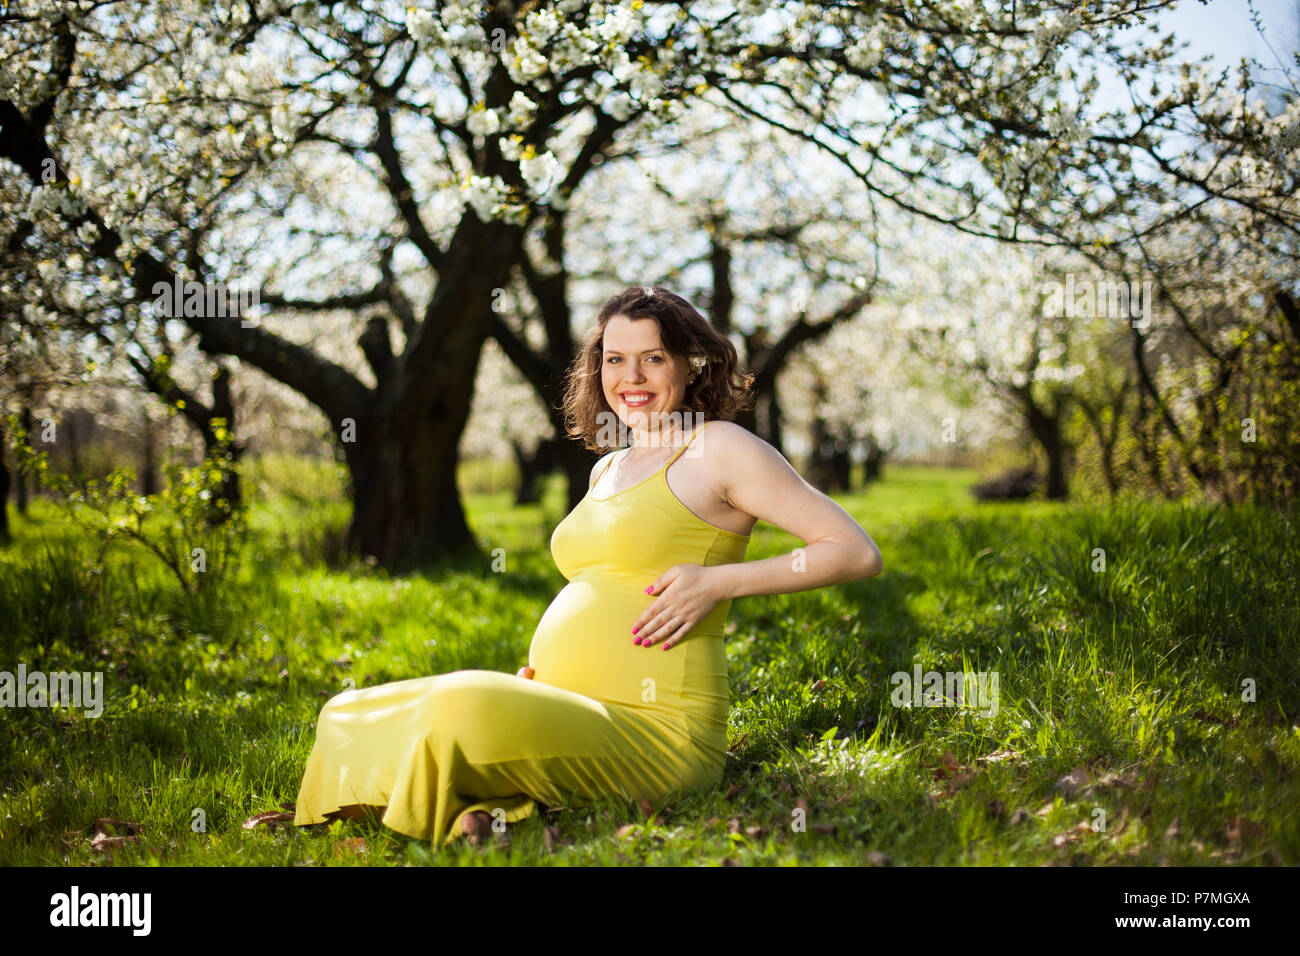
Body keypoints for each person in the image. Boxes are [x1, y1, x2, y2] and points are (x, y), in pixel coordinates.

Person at [292, 285, 883, 848]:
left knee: (459, 704)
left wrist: (720, 581)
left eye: (653, 358)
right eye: (615, 359)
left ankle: (467, 803)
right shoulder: (609, 466)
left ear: (691, 365)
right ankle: (486, 806)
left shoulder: (721, 447)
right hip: (574, 706)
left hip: (660, 730)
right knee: (345, 711)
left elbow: (853, 549)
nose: (631, 378)